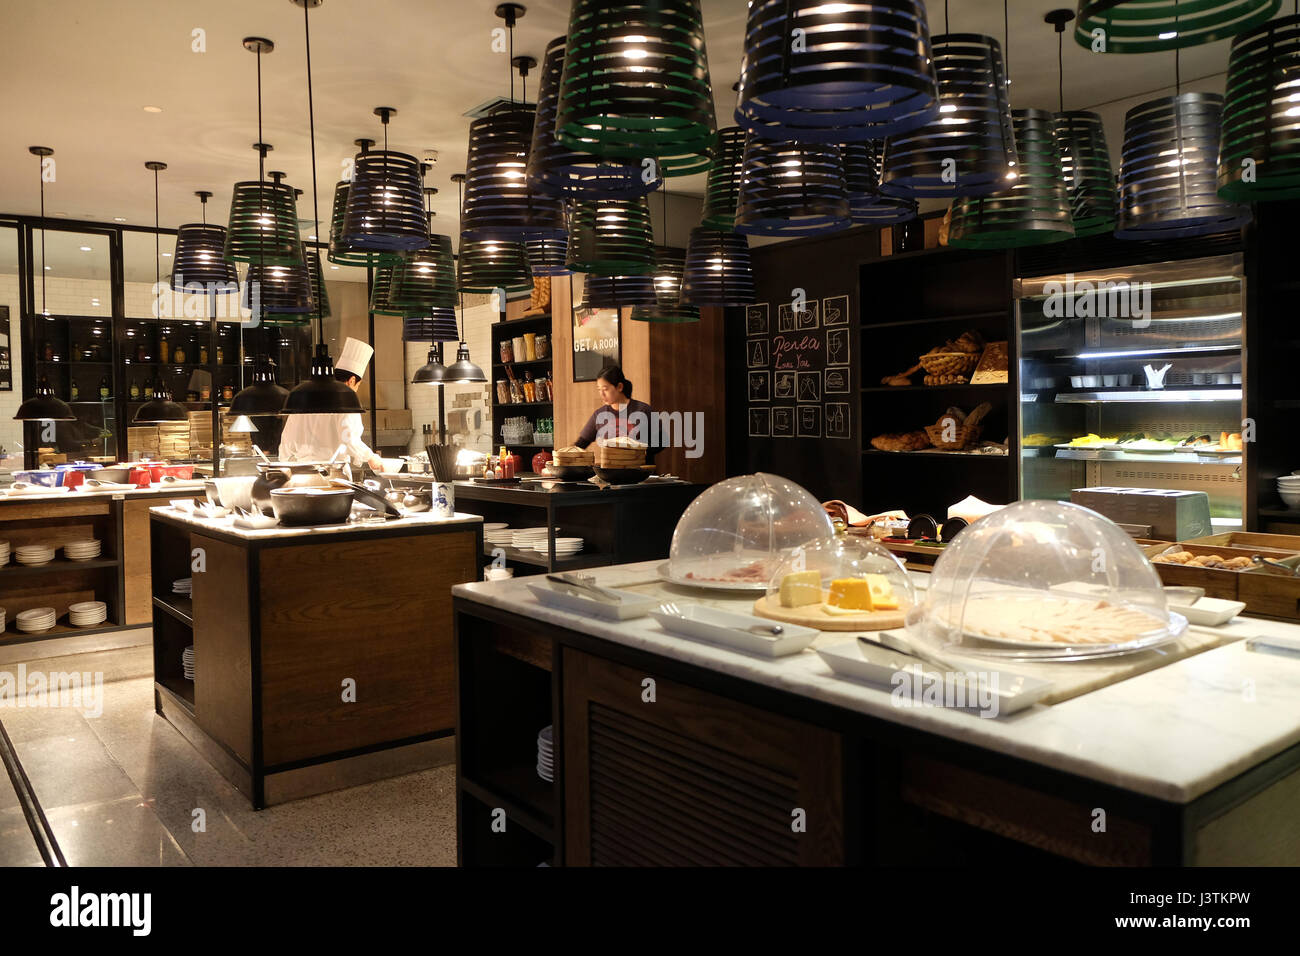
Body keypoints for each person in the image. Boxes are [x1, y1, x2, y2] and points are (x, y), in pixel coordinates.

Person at [279, 337, 384, 472]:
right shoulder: (346, 401)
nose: (356, 390)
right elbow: (349, 439)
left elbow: (287, 440)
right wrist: (370, 456)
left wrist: (286, 465)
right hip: (334, 475)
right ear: (352, 381)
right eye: (358, 385)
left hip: (303, 475)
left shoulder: (303, 397)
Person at [574, 364, 660, 458]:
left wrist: (639, 452)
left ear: (619, 387)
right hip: (610, 469)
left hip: (640, 470)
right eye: (599, 389)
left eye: (605, 389)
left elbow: (661, 441)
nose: (602, 394)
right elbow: (581, 443)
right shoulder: (599, 414)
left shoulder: (643, 410)